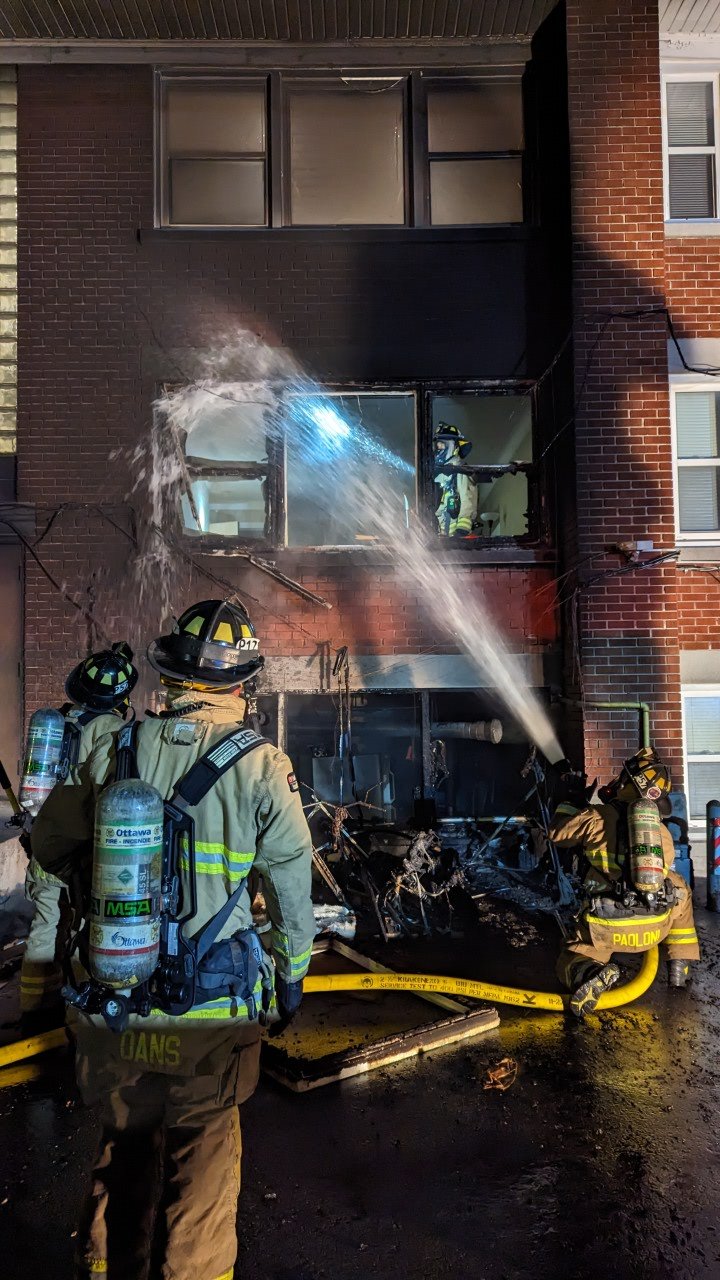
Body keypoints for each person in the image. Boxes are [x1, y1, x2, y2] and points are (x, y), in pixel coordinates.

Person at [31, 598, 316, 1280]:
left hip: (115, 997)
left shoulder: (114, 743)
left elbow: (48, 845)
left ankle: (101, 1267)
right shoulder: (262, 764)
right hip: (210, 1016)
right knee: (204, 1164)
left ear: (171, 673)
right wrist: (290, 976)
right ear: (242, 683)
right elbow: (290, 886)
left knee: (123, 1143)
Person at [20, 642, 137, 1026]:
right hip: (81, 853)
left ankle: (33, 1011)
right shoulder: (113, 733)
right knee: (86, 927)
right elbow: (109, 796)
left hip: (43, 843)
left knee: (45, 924)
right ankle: (78, 1010)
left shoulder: (58, 723)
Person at [550, 748, 700, 1018]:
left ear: (625, 783)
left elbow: (557, 834)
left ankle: (590, 973)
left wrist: (571, 799)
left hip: (608, 928)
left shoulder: (596, 817)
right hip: (656, 928)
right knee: (680, 888)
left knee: (572, 957)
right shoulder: (663, 834)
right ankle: (680, 966)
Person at [433, 422, 478, 538]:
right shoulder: (439, 476)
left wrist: (462, 530)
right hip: (443, 539)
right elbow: (439, 509)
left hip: (457, 539)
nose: (438, 448)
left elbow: (468, 501)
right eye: (437, 445)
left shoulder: (461, 472)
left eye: (441, 445)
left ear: (453, 447)